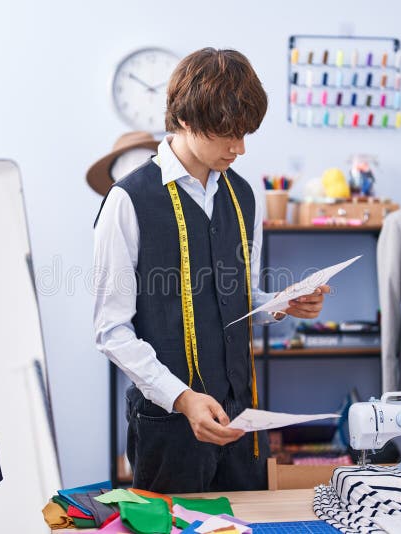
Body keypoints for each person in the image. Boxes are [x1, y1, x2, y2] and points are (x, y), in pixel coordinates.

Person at [93, 48, 329, 493]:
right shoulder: (128, 201)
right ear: (184, 119)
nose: (238, 149)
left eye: (244, 134)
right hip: (167, 428)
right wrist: (181, 398)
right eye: (226, 134)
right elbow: (111, 330)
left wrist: (281, 304)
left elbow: (238, 301)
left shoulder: (244, 196)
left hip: (241, 423)